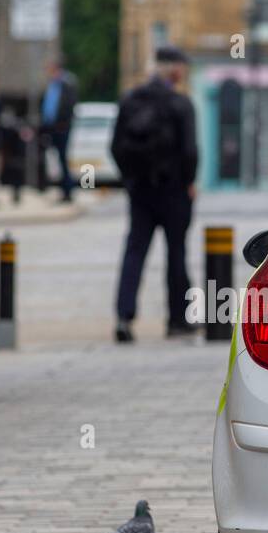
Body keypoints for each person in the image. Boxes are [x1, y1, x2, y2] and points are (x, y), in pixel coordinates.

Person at [111, 45, 198, 343]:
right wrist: (188, 182)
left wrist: (131, 181)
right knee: (176, 253)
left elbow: (115, 147)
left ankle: (124, 317)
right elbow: (189, 150)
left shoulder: (131, 99)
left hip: (140, 191)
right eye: (182, 68)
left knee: (135, 251)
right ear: (174, 70)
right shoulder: (180, 103)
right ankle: (177, 319)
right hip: (173, 190)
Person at [39, 58, 78, 202]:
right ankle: (59, 188)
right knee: (55, 159)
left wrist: (63, 122)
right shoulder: (52, 85)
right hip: (51, 127)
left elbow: (68, 105)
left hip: (61, 127)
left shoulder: (67, 83)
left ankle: (67, 191)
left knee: (62, 158)